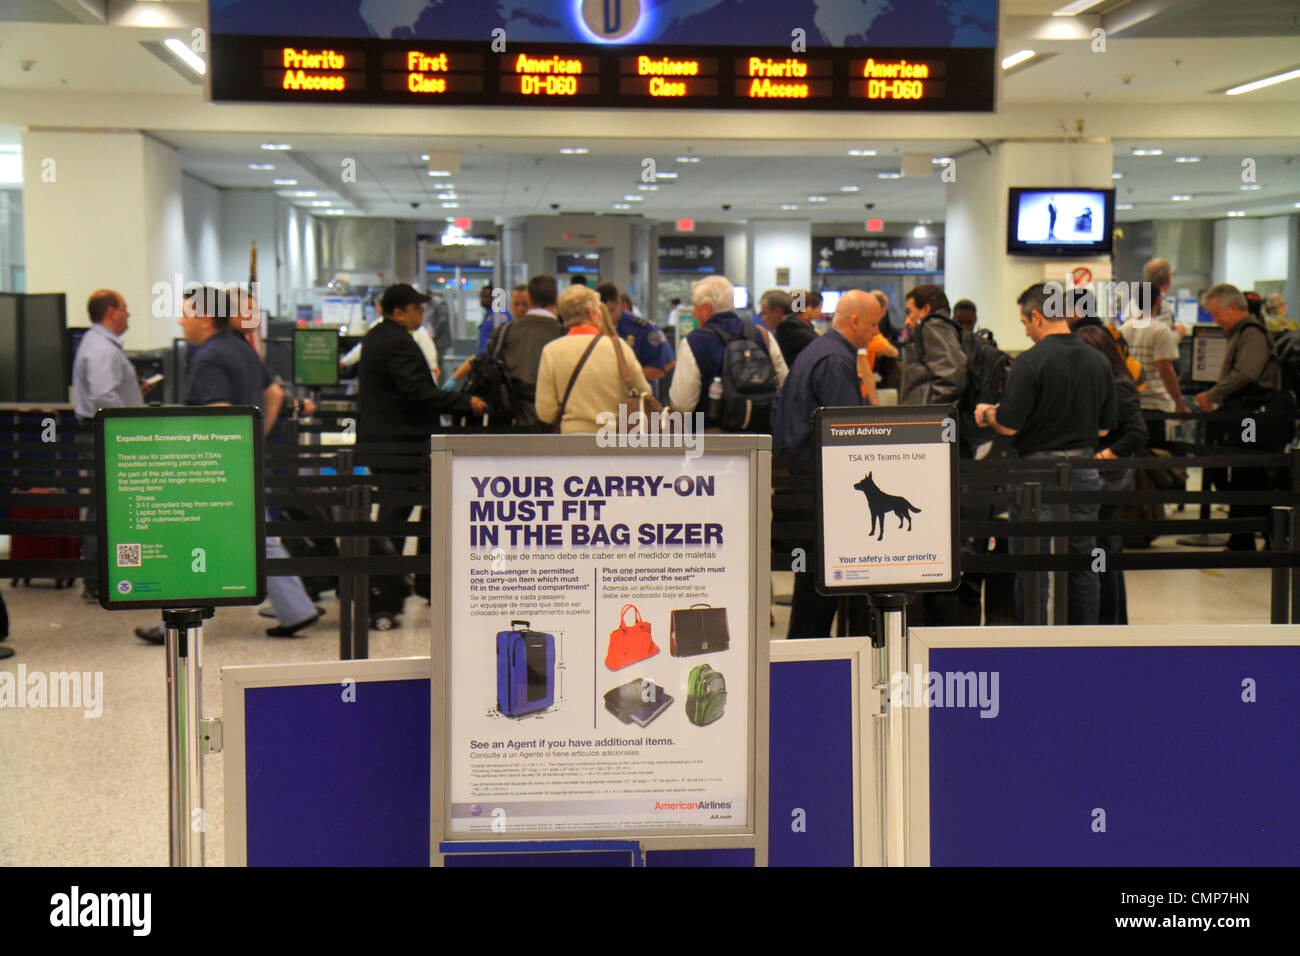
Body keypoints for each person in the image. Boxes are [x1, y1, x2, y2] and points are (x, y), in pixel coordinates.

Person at [135, 286, 324, 643]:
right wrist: (253, 441)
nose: (181, 320)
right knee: (259, 536)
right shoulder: (241, 347)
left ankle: (173, 623)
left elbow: (218, 412)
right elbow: (275, 394)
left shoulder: (208, 357)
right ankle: (297, 609)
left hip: (214, 469)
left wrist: (202, 464)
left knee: (186, 536)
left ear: (205, 317)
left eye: (186, 313)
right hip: (240, 462)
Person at [975, 282, 1117, 626]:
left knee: (1032, 564)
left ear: (1037, 316)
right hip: (1083, 468)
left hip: (1034, 473)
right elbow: (1104, 429)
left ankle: (1033, 643)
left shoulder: (1029, 362)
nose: (1025, 330)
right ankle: (1082, 643)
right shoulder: (1098, 360)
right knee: (1082, 562)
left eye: (1024, 322)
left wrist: (987, 413)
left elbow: (1009, 426)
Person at [770, 290, 883, 638]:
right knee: (819, 591)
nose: (877, 332)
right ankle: (810, 665)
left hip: (798, 483)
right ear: (855, 321)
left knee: (812, 589)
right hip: (817, 488)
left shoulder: (817, 350)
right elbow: (848, 434)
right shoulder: (836, 360)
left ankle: (807, 661)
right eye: (874, 324)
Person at [72, 289, 156, 602]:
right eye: (125, 309)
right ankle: (95, 581)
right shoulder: (101, 349)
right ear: (111, 312)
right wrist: (130, 426)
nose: (129, 315)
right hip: (106, 435)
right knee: (102, 508)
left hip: (106, 432)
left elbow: (108, 392)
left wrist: (134, 392)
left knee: (105, 506)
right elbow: (103, 398)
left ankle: (103, 577)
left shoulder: (101, 346)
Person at [1194, 283, 1287, 551]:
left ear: (1233, 308)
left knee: (1250, 472)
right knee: (1241, 473)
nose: (1214, 320)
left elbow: (1247, 372)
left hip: (1252, 419)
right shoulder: (1242, 332)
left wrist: (1214, 394)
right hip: (1245, 417)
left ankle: (1251, 536)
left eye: (1216, 313)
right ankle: (1243, 535)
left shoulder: (1251, 333)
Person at [1076, 324, 1149, 625]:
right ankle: (1111, 621)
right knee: (1104, 548)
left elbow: (1136, 433)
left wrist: (1101, 457)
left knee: (1103, 549)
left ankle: (1110, 621)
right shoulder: (1103, 382)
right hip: (1103, 478)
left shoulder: (1118, 386)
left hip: (1109, 480)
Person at [669, 275, 788, 424]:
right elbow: (785, 385)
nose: (693, 313)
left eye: (695, 307)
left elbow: (682, 404)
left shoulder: (694, 342)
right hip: (761, 437)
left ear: (706, 308)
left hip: (709, 439)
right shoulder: (762, 335)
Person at [535, 285, 651, 433]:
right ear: (591, 313)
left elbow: (545, 412)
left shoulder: (551, 351)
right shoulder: (619, 347)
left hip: (572, 442)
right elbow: (644, 391)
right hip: (614, 440)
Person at [1121, 285, 1191, 430]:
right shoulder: (1160, 331)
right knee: (1156, 450)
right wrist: (1179, 403)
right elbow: (1166, 370)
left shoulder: (1123, 330)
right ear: (1158, 301)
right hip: (1155, 404)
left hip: (1129, 403)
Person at [597, 282, 674, 393]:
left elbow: (662, 367)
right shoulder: (594, 329)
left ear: (619, 303)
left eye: (610, 311)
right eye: (601, 313)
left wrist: (625, 378)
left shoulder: (644, 329)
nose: (606, 317)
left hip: (637, 398)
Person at [898, 284, 967, 407]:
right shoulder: (943, 327)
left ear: (926, 309)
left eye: (910, 313)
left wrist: (929, 411)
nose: (907, 322)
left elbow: (952, 375)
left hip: (926, 419)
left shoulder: (932, 325)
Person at [760, 288, 817, 367]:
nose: (763, 319)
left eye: (764, 313)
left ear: (777, 311)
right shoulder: (795, 325)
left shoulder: (786, 330)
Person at [475, 283, 512, 355]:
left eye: (485, 297)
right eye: (481, 297)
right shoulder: (488, 315)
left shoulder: (499, 315)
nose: (482, 300)